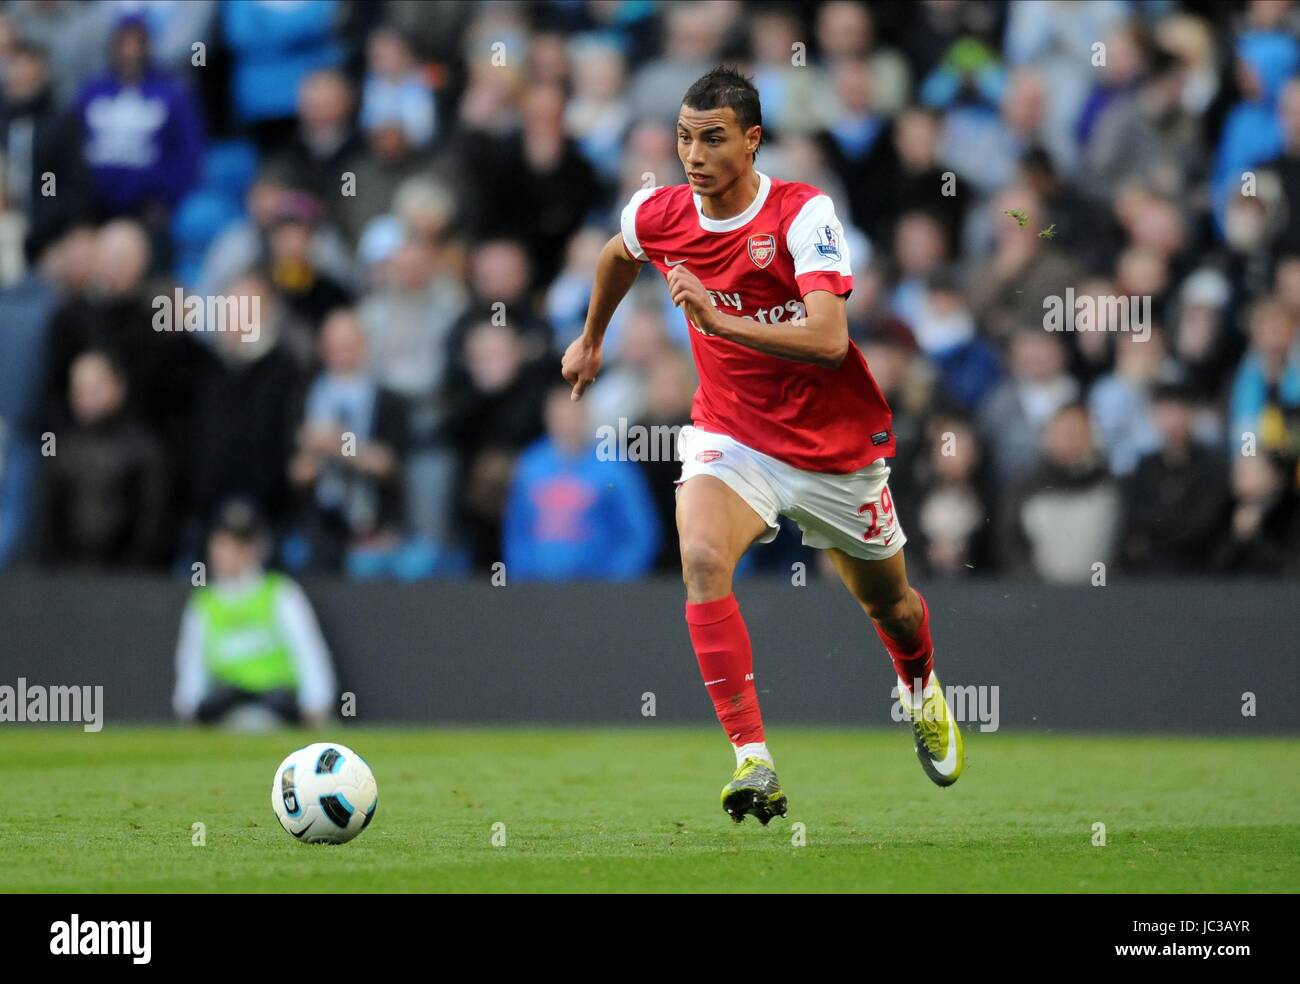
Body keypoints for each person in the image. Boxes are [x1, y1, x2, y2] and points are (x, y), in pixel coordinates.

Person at [561, 67, 964, 826]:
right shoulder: (659, 213)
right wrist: (590, 341)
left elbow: (827, 337)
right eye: (684, 137)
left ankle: (919, 687)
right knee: (704, 560)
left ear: (751, 141)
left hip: (833, 450)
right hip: (731, 435)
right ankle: (753, 759)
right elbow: (617, 255)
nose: (694, 153)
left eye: (712, 138)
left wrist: (718, 322)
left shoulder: (804, 213)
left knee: (895, 608)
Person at [173, 500, 336, 728]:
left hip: (274, 707)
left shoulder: (280, 592)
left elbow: (309, 652)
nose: (223, 553)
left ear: (252, 549)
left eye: (234, 545)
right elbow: (191, 663)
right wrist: (189, 707)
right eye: (221, 544)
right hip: (226, 708)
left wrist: (316, 705)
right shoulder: (204, 602)